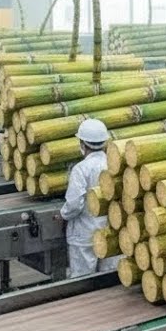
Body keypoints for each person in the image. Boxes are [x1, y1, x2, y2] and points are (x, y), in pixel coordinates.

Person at [60, 119, 120, 277]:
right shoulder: (113, 164)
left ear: (82, 143)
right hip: (109, 230)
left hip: (84, 234)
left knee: (82, 280)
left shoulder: (81, 169)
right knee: (108, 280)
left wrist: (62, 214)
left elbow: (74, 204)